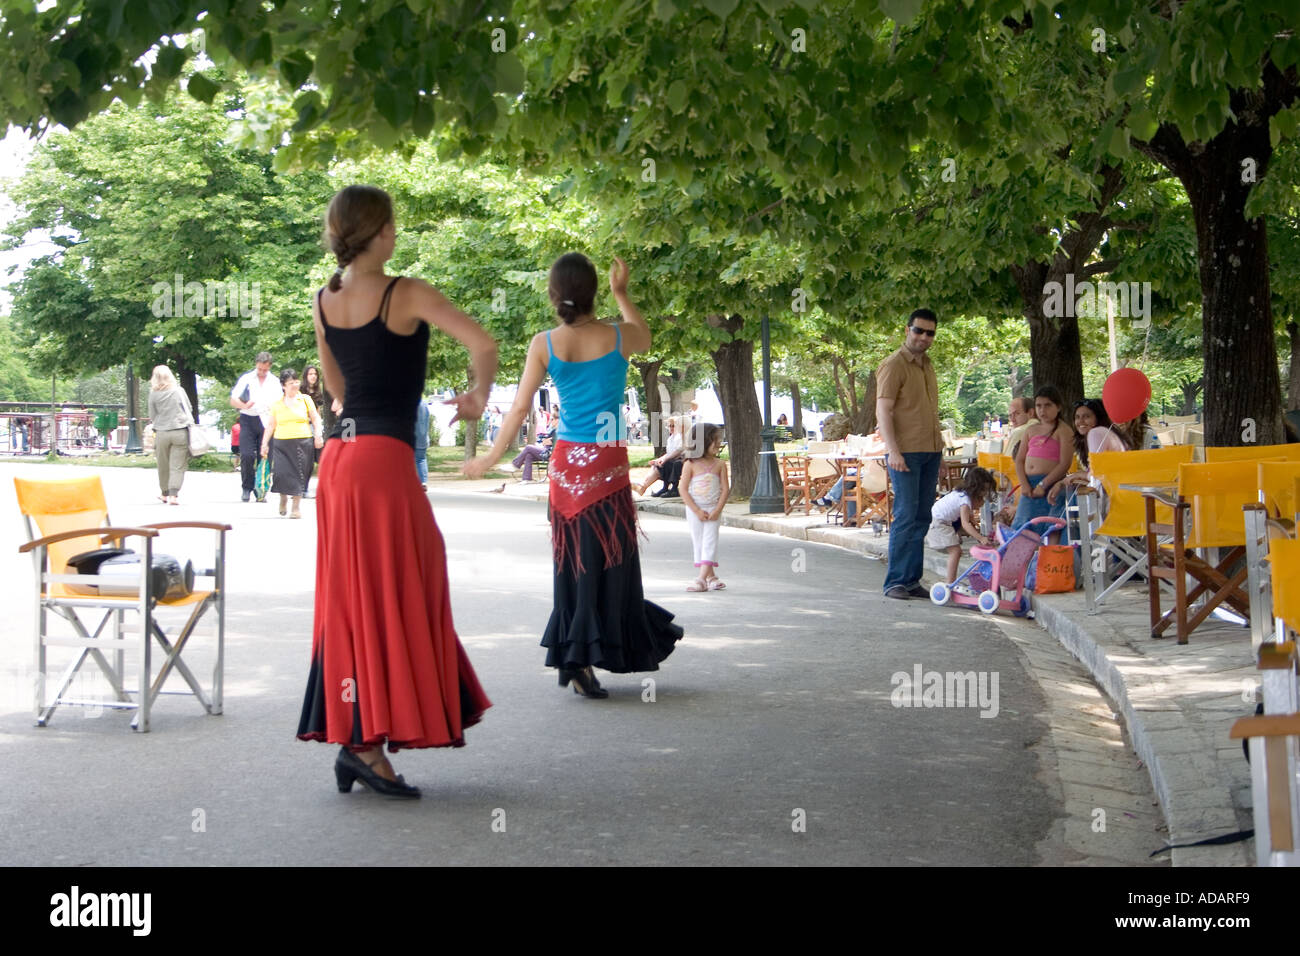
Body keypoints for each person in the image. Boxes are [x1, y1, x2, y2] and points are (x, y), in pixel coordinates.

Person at [297, 184, 497, 797]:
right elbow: (483, 343)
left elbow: (336, 390)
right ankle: (365, 744)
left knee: (355, 597)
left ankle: (358, 735)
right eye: (389, 224)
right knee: (408, 585)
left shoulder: (324, 299)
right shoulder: (405, 291)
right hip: (382, 460)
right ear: (373, 230)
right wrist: (477, 398)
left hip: (338, 459)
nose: (395, 234)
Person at [465, 252, 683, 699]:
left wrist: (488, 459)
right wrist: (623, 296)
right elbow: (645, 334)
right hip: (608, 467)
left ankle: (576, 655)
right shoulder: (620, 336)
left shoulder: (544, 342)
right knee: (613, 562)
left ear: (553, 294)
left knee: (575, 564)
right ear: (594, 292)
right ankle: (586, 652)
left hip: (567, 470)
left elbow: (521, 408)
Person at [876, 308, 945, 600]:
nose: (924, 337)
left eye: (930, 333)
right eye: (919, 331)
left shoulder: (927, 365)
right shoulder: (894, 364)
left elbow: (930, 413)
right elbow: (884, 410)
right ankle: (895, 582)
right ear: (907, 330)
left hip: (930, 451)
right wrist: (893, 451)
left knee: (921, 516)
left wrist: (939, 451)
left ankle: (912, 579)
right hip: (905, 452)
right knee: (906, 515)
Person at [261, 368, 323, 518]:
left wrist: (318, 435)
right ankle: (283, 498)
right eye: (290, 383)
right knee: (281, 474)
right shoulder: (276, 405)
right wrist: (264, 444)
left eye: (296, 382)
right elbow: (270, 425)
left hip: (303, 441)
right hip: (282, 442)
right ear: (283, 386)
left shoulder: (306, 400)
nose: (295, 385)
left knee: (300, 475)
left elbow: (315, 419)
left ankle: (296, 507)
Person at [1048, 398, 1131, 508]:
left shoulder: (1095, 433)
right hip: (1120, 494)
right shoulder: (1108, 432)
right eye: (1077, 417)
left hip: (1111, 501)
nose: (1080, 421)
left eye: (1086, 416)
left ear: (1098, 418)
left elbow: (1096, 476)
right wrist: (1064, 481)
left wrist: (1075, 476)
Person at [1012, 385, 1074, 528]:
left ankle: (1047, 551)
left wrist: (1043, 484)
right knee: (1022, 528)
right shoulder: (1030, 430)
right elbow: (1020, 460)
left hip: (1051, 485)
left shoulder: (1064, 430)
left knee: (1050, 528)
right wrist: (1025, 484)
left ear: (1058, 407)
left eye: (1047, 405)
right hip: (1029, 485)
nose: (1042, 410)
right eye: (1039, 406)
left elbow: (1065, 463)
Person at [926, 467, 998, 586]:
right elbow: (965, 524)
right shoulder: (965, 501)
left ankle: (951, 581)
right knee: (956, 551)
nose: (985, 493)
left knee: (955, 548)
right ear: (976, 488)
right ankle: (950, 582)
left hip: (940, 520)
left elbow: (966, 517)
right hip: (938, 522)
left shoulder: (961, 494)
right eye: (984, 490)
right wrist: (981, 538)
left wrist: (973, 521)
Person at [681, 422, 730, 591]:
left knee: (710, 541)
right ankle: (712, 577)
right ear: (703, 441)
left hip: (713, 510)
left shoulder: (720, 464)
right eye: (715, 440)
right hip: (695, 510)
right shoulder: (690, 464)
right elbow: (683, 489)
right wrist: (696, 510)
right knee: (699, 543)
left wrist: (717, 510)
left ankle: (701, 579)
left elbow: (725, 489)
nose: (719, 443)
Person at [230, 351, 283, 502]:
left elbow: (279, 403)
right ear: (256, 365)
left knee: (265, 456)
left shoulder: (274, 381)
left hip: (267, 421)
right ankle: (246, 486)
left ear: (269, 367)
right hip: (248, 417)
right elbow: (233, 399)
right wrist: (243, 405)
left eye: (265, 370)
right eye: (259, 369)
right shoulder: (247, 378)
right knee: (246, 455)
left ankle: (260, 489)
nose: (262, 372)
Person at [147, 364, 194, 505]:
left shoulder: (153, 394)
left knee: (163, 464)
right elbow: (189, 408)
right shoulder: (179, 391)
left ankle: (164, 494)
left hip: (162, 432)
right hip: (180, 431)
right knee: (178, 465)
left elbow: (152, 414)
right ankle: (174, 495)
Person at [635, 414, 684, 496]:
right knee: (655, 465)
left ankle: (643, 487)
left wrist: (662, 460)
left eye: (673, 426)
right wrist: (658, 460)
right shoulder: (671, 438)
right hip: (672, 459)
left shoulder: (680, 437)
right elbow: (669, 453)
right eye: (670, 426)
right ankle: (645, 486)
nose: (671, 428)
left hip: (679, 460)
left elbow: (677, 453)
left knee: (662, 465)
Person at [414, 397, 430, 489]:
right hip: (422, 437)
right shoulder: (424, 404)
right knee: (421, 459)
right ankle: (423, 482)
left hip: (410, 436)